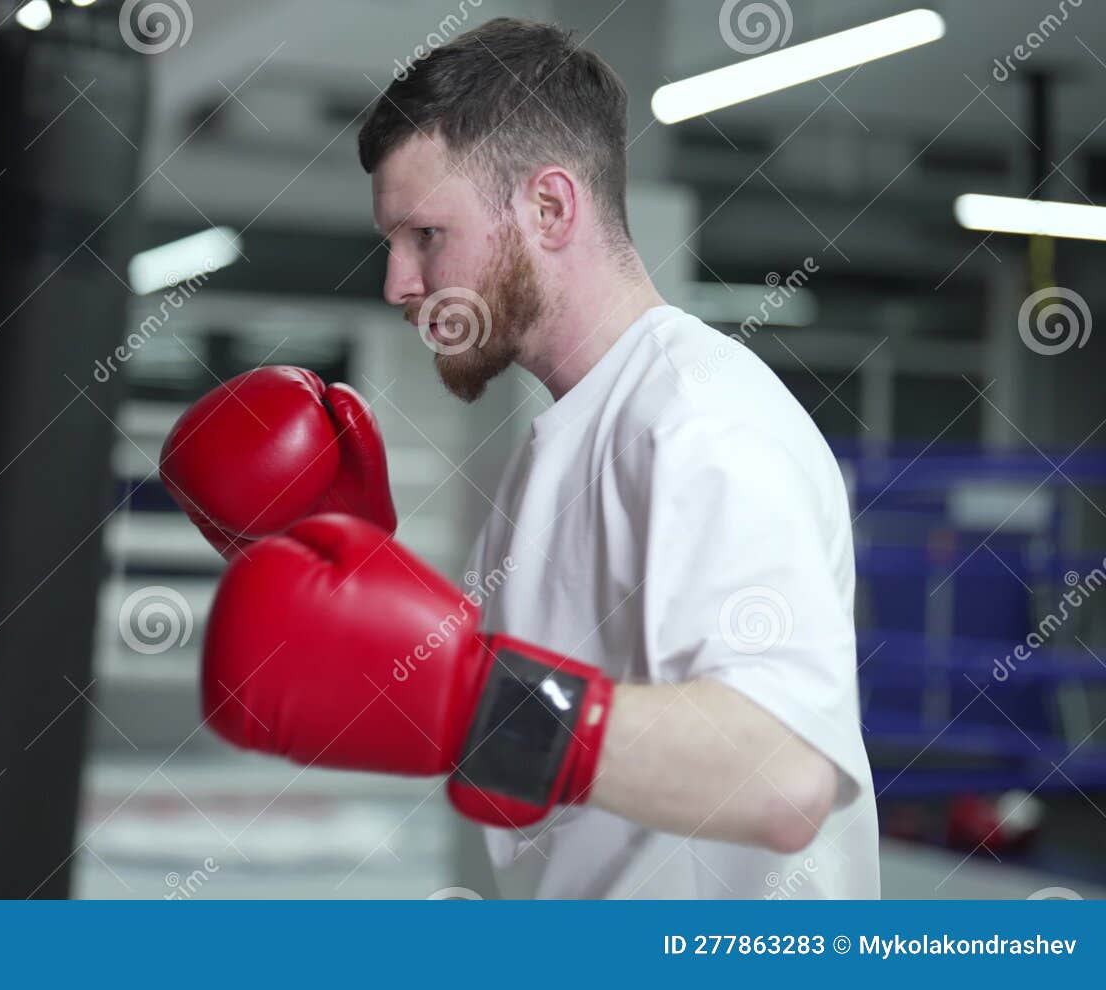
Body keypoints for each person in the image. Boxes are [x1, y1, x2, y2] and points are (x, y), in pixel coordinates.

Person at [163, 17, 878, 899]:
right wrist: (363, 588)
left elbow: (785, 777)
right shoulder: (558, 446)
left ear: (548, 208)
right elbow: (539, 776)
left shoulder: (702, 423)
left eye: (425, 234)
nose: (397, 281)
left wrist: (470, 696)